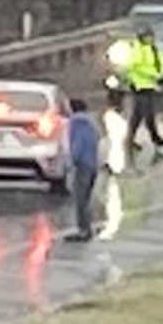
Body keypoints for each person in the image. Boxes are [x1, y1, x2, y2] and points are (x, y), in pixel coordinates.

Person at [124, 25, 163, 160]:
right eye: (147, 37)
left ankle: (130, 140)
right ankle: (156, 139)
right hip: (140, 86)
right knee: (148, 114)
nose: (150, 39)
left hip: (150, 85)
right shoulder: (138, 50)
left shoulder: (153, 49)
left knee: (138, 115)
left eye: (151, 36)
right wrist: (154, 75)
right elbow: (135, 66)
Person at [65, 99, 101, 243]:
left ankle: (83, 230)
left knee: (80, 200)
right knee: (86, 198)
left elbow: (78, 144)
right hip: (92, 164)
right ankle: (87, 228)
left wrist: (72, 160)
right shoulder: (92, 123)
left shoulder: (76, 122)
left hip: (82, 165)